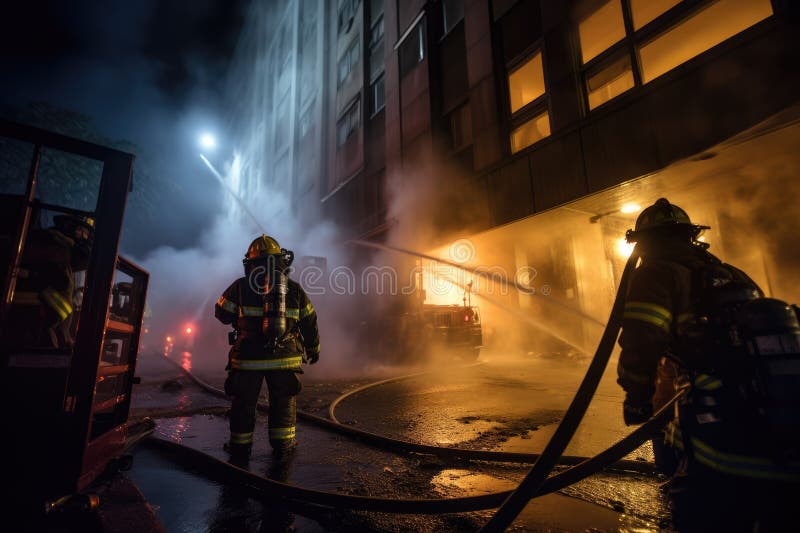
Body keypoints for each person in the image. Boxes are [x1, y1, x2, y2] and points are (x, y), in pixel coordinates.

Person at [616, 198, 800, 531]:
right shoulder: (730, 273)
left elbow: (642, 340)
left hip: (718, 422)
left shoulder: (655, 273)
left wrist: (637, 399)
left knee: (706, 510)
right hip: (772, 420)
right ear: (690, 236)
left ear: (643, 243)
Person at [214, 235, 320, 456]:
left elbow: (221, 314)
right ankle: (284, 446)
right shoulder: (294, 289)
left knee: (243, 403)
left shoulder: (240, 286)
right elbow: (309, 322)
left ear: (250, 262)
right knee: (283, 403)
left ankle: (240, 446)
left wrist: (242, 317)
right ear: (280, 260)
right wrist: (313, 349)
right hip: (285, 359)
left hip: (248, 359)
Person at [7, 213, 94, 348]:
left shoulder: (65, 249)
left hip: (40, 309)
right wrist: (30, 274)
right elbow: (58, 279)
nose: (83, 236)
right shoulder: (57, 245)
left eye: (86, 233)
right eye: (80, 230)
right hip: (28, 303)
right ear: (69, 226)